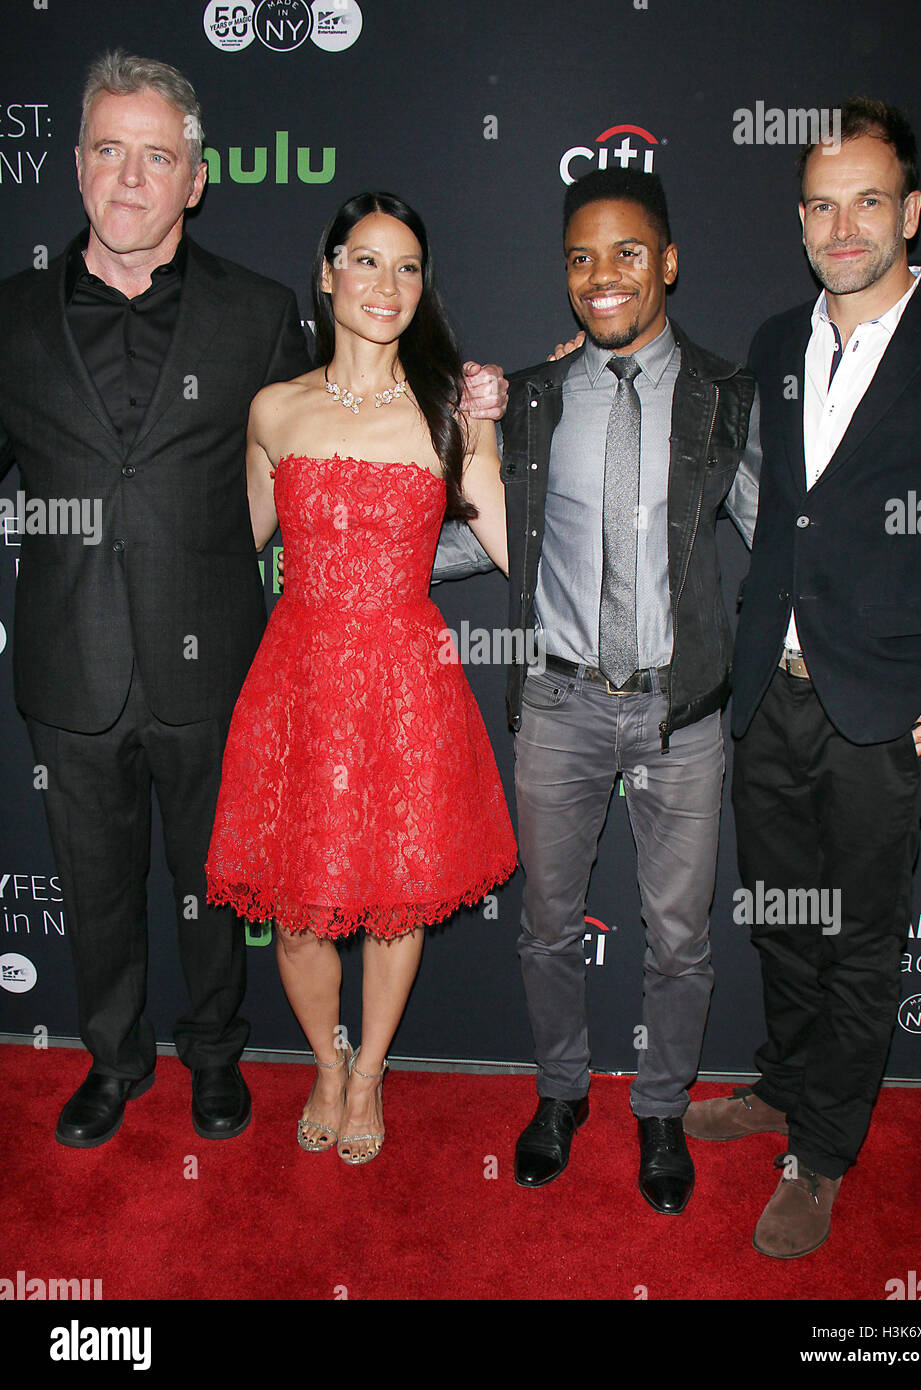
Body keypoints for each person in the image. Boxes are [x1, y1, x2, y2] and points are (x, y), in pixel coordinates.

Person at [0, 51, 506, 1150]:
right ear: (76, 161)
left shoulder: (255, 311)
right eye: (107, 150)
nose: (130, 179)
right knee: (102, 889)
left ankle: (219, 1058)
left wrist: (507, 410)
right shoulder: (11, 317)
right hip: (74, 652)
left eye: (157, 156)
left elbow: (395, 469)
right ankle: (112, 1060)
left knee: (228, 888)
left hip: (219, 661)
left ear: (196, 177)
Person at [684, 99, 921, 1257]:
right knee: (780, 919)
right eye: (820, 203)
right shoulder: (772, 342)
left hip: (888, 709)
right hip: (773, 692)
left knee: (859, 939)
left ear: (911, 211)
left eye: (867, 200)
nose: (842, 224)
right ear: (799, 218)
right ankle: (784, 1081)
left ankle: (820, 1152)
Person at [205, 191, 517, 1164]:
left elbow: (516, 544)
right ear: (329, 272)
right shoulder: (275, 409)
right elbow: (227, 551)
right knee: (296, 911)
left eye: (408, 266)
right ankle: (327, 1060)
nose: (387, 283)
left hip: (403, 687)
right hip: (296, 683)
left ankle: (372, 1068)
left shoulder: (450, 413)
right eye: (367, 261)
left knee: (394, 899)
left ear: (424, 289)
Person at [502, 167, 760, 1213]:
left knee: (679, 938)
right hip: (559, 704)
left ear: (668, 262)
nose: (600, 276)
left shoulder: (725, 397)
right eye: (579, 257)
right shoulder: (529, 399)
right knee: (546, 925)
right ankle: (561, 1091)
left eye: (623, 253)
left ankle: (660, 1108)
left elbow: (781, 532)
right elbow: (468, 531)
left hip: (680, 711)